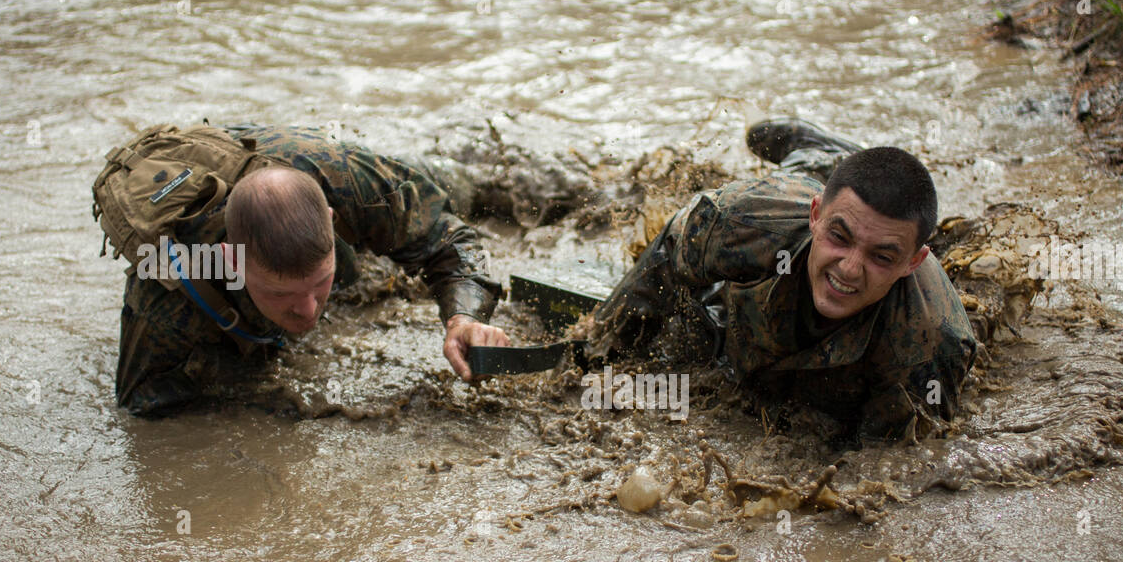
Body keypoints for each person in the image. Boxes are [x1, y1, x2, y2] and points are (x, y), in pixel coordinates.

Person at [586, 118, 978, 445]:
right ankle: (817, 152)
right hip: (788, 218)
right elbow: (671, 250)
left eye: (881, 257)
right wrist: (603, 349)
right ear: (815, 217)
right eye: (839, 239)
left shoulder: (930, 346)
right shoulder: (739, 222)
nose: (849, 269)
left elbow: (894, 467)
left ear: (912, 261)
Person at [106, 123, 509, 416]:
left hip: (300, 159)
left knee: (473, 184)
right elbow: (144, 407)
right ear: (231, 260)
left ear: (332, 224)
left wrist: (463, 317)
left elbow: (447, 236)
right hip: (195, 230)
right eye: (280, 294)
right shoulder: (168, 297)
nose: (308, 311)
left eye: (320, 285)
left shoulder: (346, 178)